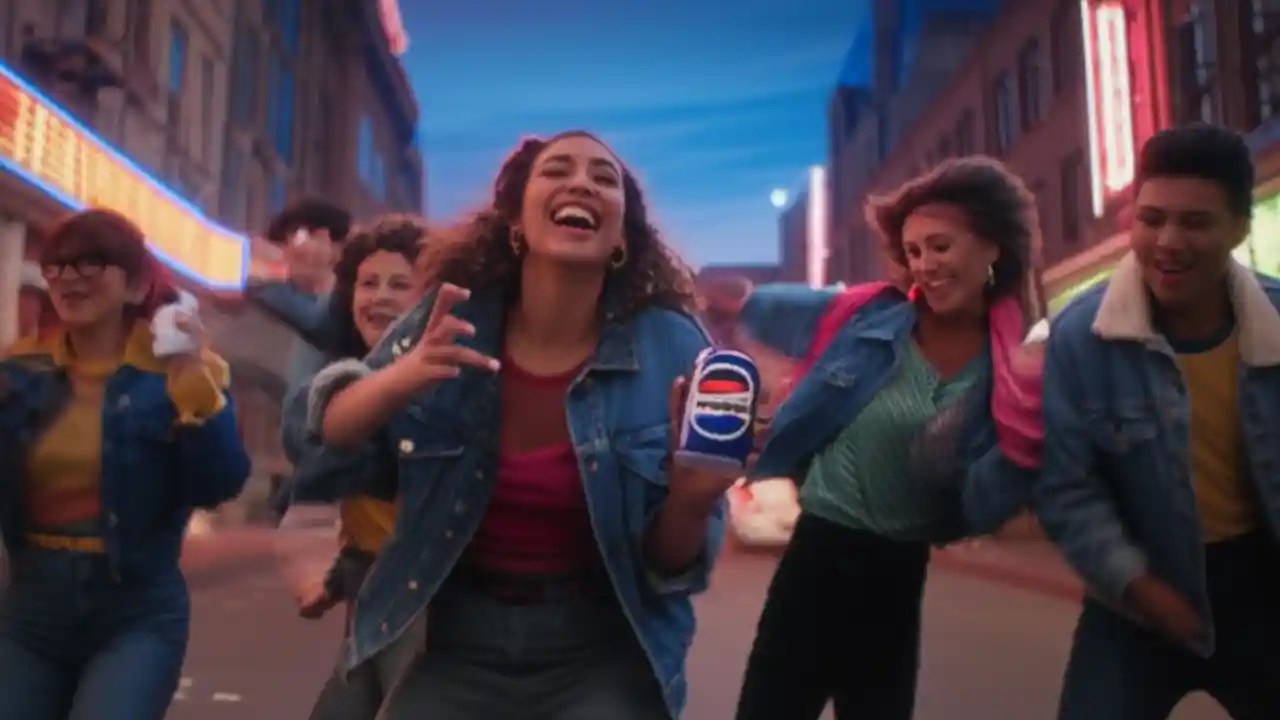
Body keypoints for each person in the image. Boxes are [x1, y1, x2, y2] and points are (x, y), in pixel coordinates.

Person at [292, 131, 732, 719]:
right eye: (557, 170)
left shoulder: (673, 347)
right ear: (517, 222)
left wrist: (691, 501)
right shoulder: (452, 320)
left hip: (603, 650)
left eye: (604, 178)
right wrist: (402, 377)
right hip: (452, 640)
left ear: (621, 239)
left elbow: (672, 567)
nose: (581, 183)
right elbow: (331, 435)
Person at [727, 156, 1044, 719]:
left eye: (940, 247)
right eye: (914, 251)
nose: (925, 265)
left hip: (898, 572)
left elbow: (1004, 487)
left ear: (992, 248)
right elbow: (763, 306)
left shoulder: (1011, 368)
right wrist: (735, 294)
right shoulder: (870, 318)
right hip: (817, 557)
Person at [1038, 124, 1280, 719]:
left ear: (1239, 228)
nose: (1169, 242)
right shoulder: (1080, 338)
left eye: (1196, 223)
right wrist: (1140, 587)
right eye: (1151, 219)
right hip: (1136, 592)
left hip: (1262, 583)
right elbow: (1065, 487)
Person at [0, 208, 250, 719]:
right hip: (31, 609)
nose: (69, 277)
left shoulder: (182, 371)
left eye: (91, 263)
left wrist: (189, 374)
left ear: (136, 286)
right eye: (57, 265)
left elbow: (219, 481)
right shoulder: (20, 370)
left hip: (136, 612)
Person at [274, 216, 428, 719]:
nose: (380, 297)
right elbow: (308, 443)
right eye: (368, 283)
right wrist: (339, 574)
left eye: (400, 285)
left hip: (428, 602)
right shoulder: (338, 379)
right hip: (366, 588)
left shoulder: (444, 384)